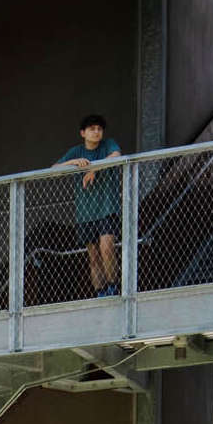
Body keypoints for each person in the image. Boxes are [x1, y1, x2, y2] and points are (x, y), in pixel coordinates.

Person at [59, 113, 122, 292]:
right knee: (93, 256)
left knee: (107, 246)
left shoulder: (108, 145)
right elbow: (53, 169)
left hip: (107, 208)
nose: (96, 132)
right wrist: (73, 162)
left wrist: (93, 168)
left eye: (99, 129)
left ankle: (113, 288)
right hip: (85, 213)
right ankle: (100, 293)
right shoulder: (77, 151)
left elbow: (117, 155)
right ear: (83, 133)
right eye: (92, 129)